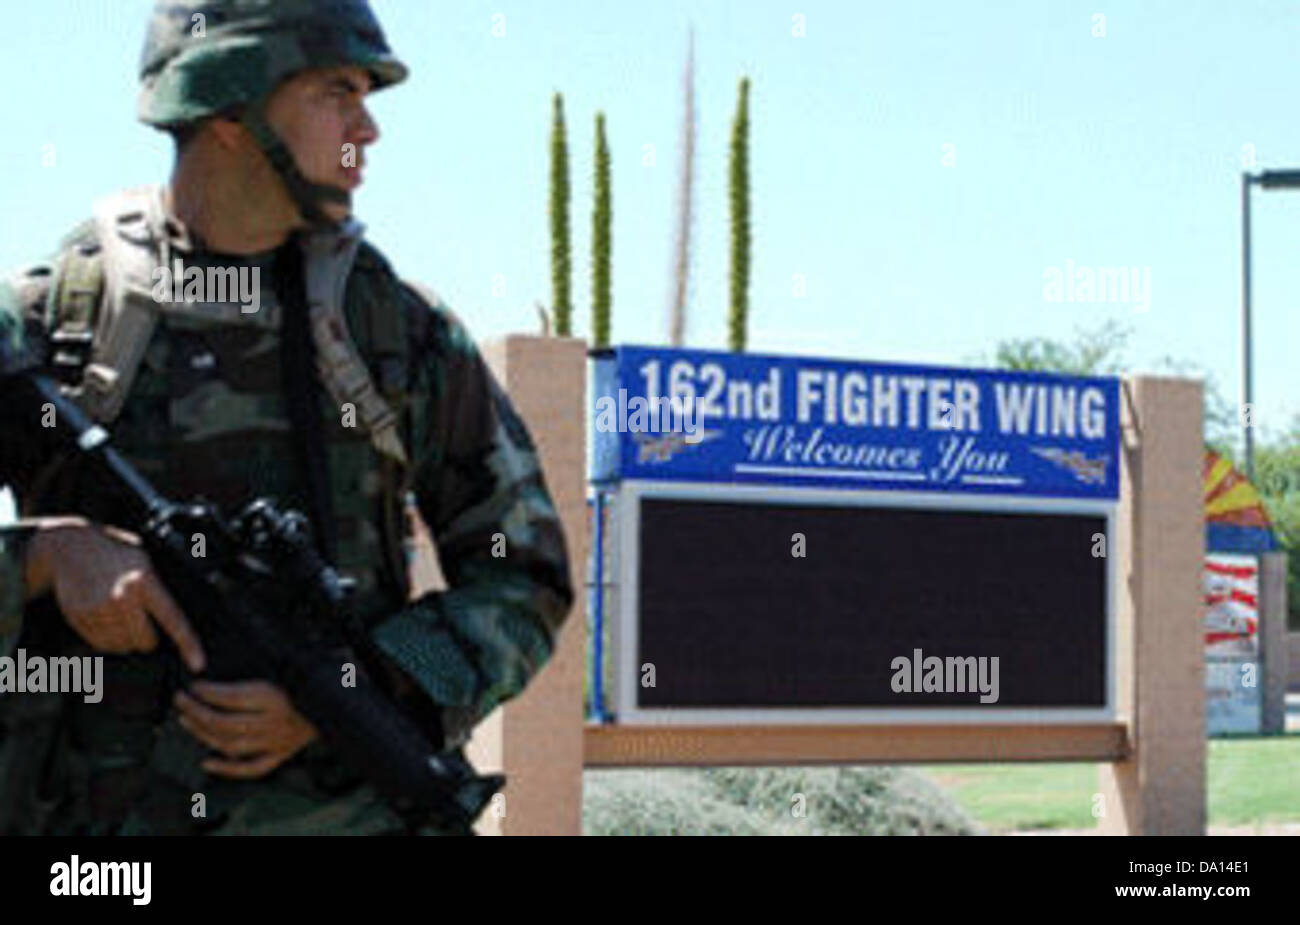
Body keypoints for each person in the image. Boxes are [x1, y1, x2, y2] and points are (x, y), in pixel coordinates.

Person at [0, 0, 573, 835]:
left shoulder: (394, 331)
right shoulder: (56, 319)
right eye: (337, 90)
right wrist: (45, 560)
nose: (367, 128)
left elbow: (524, 575)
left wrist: (356, 684)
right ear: (232, 106)